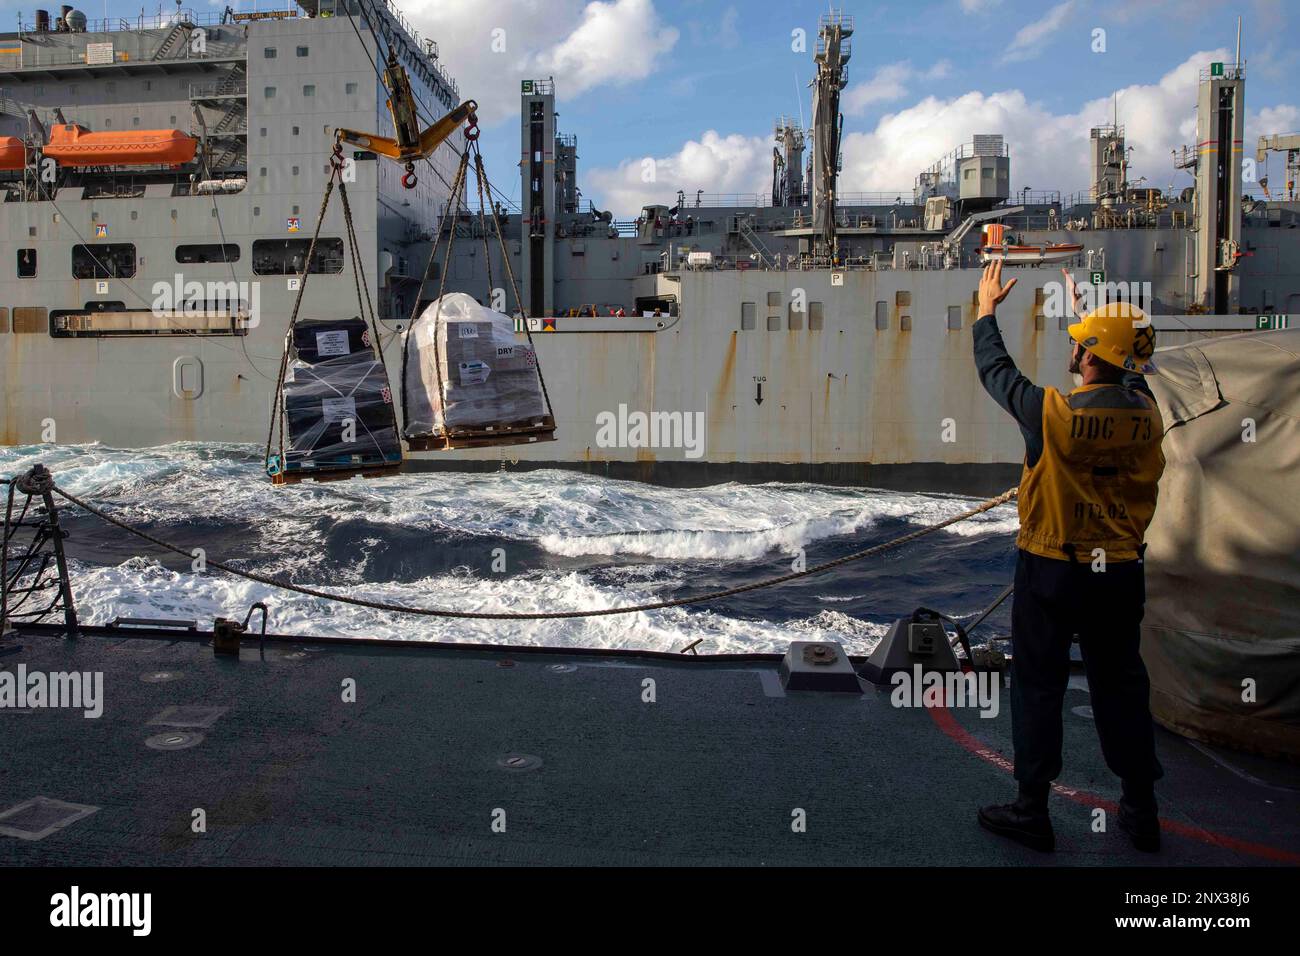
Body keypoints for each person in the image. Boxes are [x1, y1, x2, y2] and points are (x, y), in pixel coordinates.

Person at [973, 261, 1165, 854]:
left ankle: (1033, 810)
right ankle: (1141, 808)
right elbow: (1124, 374)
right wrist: (1095, 322)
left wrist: (985, 311)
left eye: (1079, 344)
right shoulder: (1147, 413)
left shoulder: (1052, 414)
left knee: (1038, 686)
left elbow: (995, 371)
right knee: (1121, 685)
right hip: (1120, 570)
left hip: (1053, 568)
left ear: (1086, 357)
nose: (1073, 350)